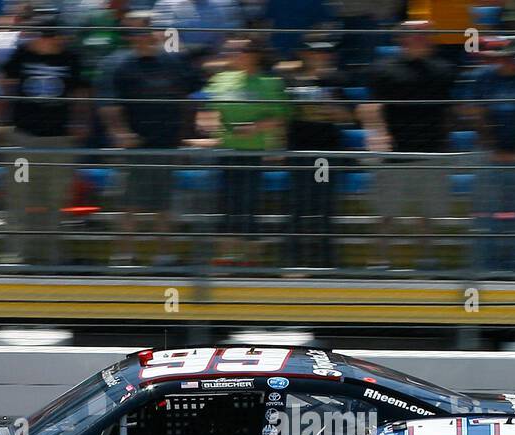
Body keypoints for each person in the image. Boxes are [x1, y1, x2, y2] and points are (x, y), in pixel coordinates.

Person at [98, 9, 202, 264]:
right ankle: (124, 255)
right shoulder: (116, 64)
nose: (142, 36)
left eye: (147, 30)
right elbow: (109, 105)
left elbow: (191, 97)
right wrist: (121, 133)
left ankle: (164, 255)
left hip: (166, 144)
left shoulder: (175, 62)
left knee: (164, 204)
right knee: (128, 204)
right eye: (136, 32)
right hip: (134, 146)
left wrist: (185, 134)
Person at [359, 20, 458, 268]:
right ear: (402, 39)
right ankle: (379, 260)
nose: (423, 39)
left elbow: (448, 111)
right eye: (417, 34)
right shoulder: (383, 69)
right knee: (386, 213)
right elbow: (369, 107)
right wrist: (377, 134)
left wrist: (446, 143)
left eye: (426, 34)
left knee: (427, 214)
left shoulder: (444, 70)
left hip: (431, 151)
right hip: (394, 153)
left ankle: (427, 259)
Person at [0, 8, 89, 265]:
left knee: (55, 198)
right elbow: (6, 87)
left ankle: (50, 255)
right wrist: (3, 123)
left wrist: (80, 122)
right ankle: (15, 254)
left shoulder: (71, 58)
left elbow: (82, 95)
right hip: (23, 138)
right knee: (18, 195)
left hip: (58, 141)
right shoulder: (21, 55)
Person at [194, 35, 288, 265]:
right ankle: (227, 256)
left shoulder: (269, 83)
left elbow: (279, 117)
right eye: (229, 50)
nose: (231, 55)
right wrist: (211, 125)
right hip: (226, 151)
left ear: (254, 55)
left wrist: (254, 128)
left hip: (252, 152)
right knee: (227, 204)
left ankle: (249, 258)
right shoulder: (220, 79)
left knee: (248, 204)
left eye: (237, 51)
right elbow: (206, 109)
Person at [465, 36, 515, 273]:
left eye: (512, 57)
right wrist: (494, 149)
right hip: (490, 155)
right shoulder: (483, 78)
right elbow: (477, 115)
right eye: (504, 57)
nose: (509, 62)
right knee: (487, 213)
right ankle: (486, 265)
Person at [282, 35, 352, 269]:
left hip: (325, 155)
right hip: (299, 153)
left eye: (325, 53)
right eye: (316, 52)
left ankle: (324, 262)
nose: (321, 57)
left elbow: (348, 116)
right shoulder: (291, 81)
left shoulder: (335, 80)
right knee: (297, 208)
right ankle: (293, 261)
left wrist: (331, 108)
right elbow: (284, 115)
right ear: (305, 54)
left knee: (323, 208)